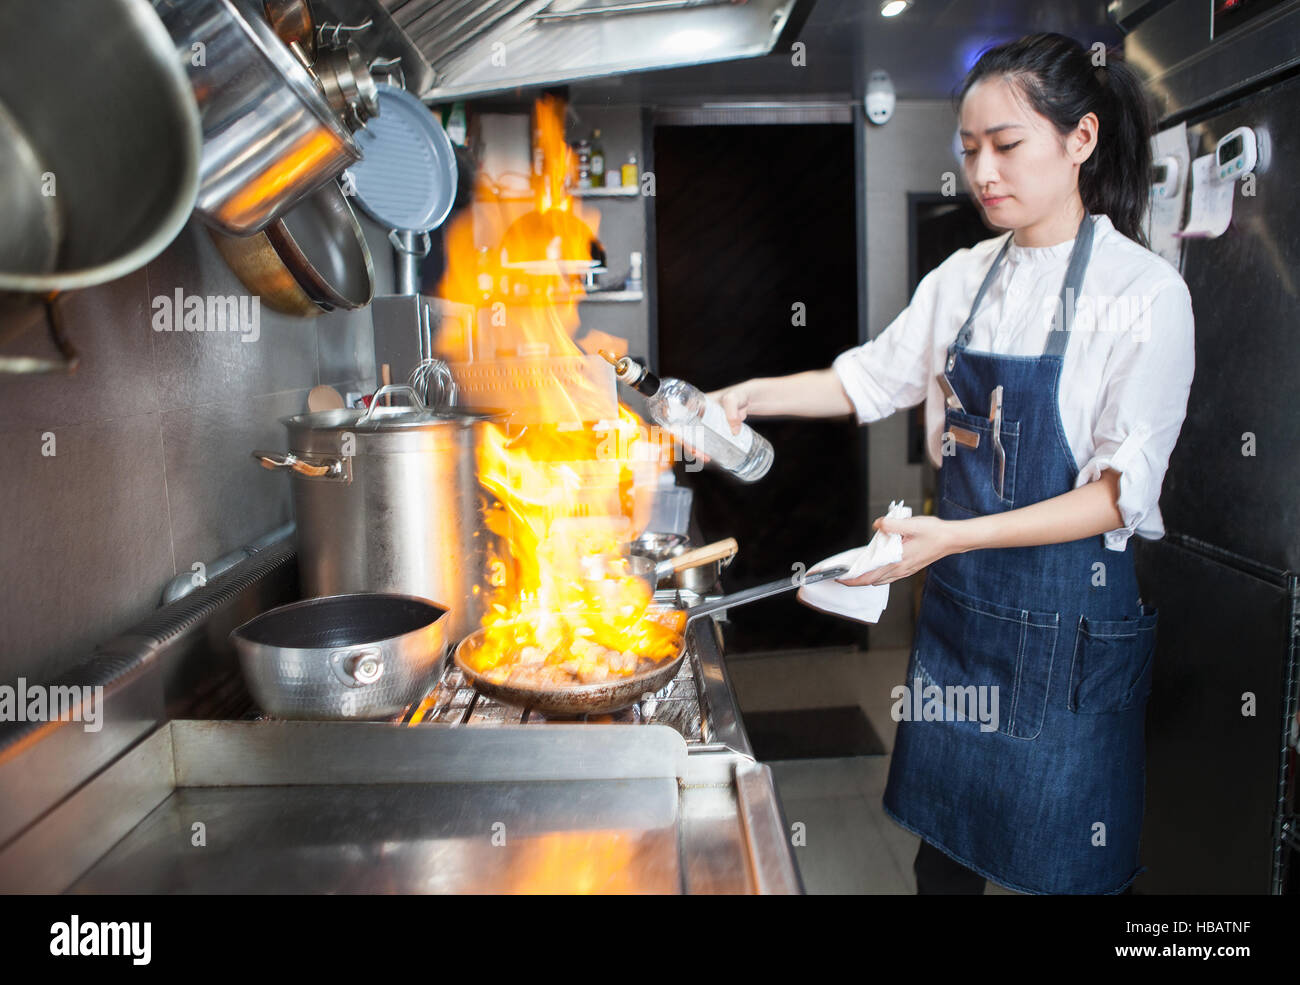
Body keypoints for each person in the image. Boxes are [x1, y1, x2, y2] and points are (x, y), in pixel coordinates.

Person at [709, 33, 1195, 894]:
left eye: (1006, 146)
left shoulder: (1144, 294)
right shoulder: (966, 278)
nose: (983, 171)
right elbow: (865, 378)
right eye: (970, 150)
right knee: (946, 862)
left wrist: (949, 537)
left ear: (1081, 139)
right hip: (964, 629)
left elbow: (1118, 497)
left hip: (1069, 641)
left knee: (1070, 869)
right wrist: (749, 392)